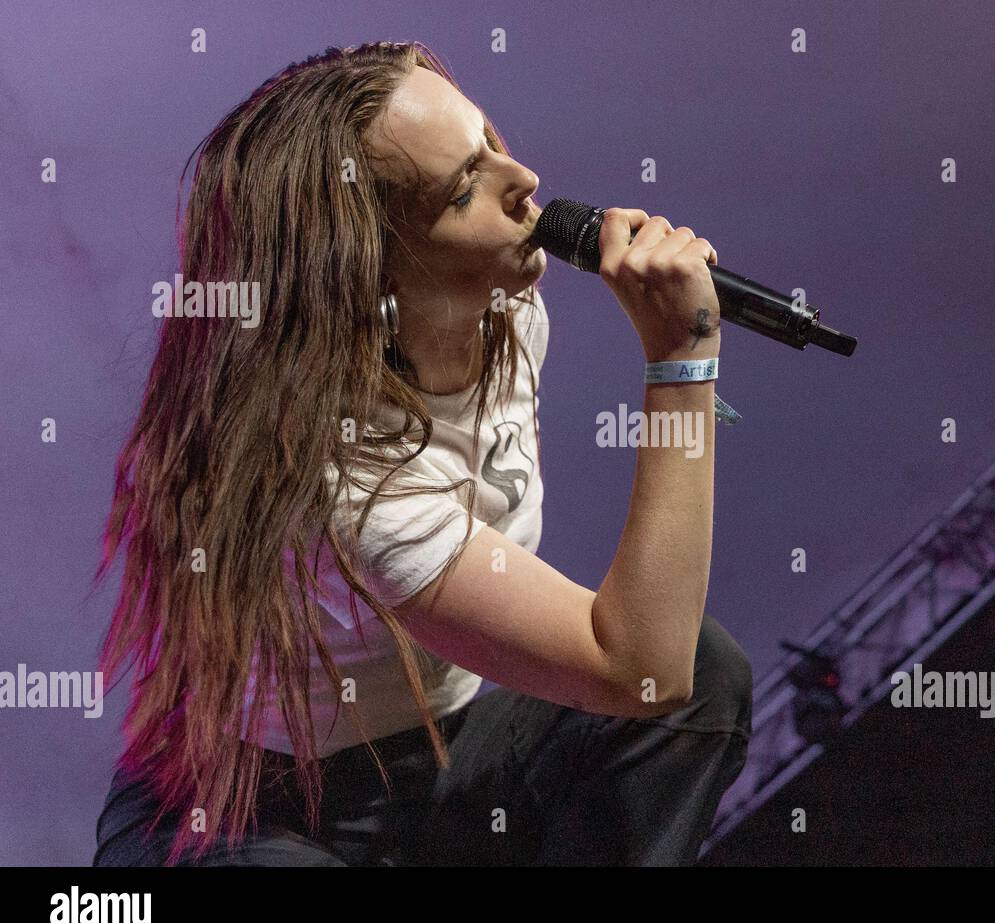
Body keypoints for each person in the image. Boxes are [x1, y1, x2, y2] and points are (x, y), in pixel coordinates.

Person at [90, 41, 752, 867]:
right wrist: (682, 361)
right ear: (372, 270)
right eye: (466, 187)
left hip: (439, 755)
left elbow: (663, 681)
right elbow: (633, 664)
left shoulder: (507, 315)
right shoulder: (341, 478)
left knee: (703, 677)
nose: (525, 185)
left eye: (491, 143)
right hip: (250, 812)